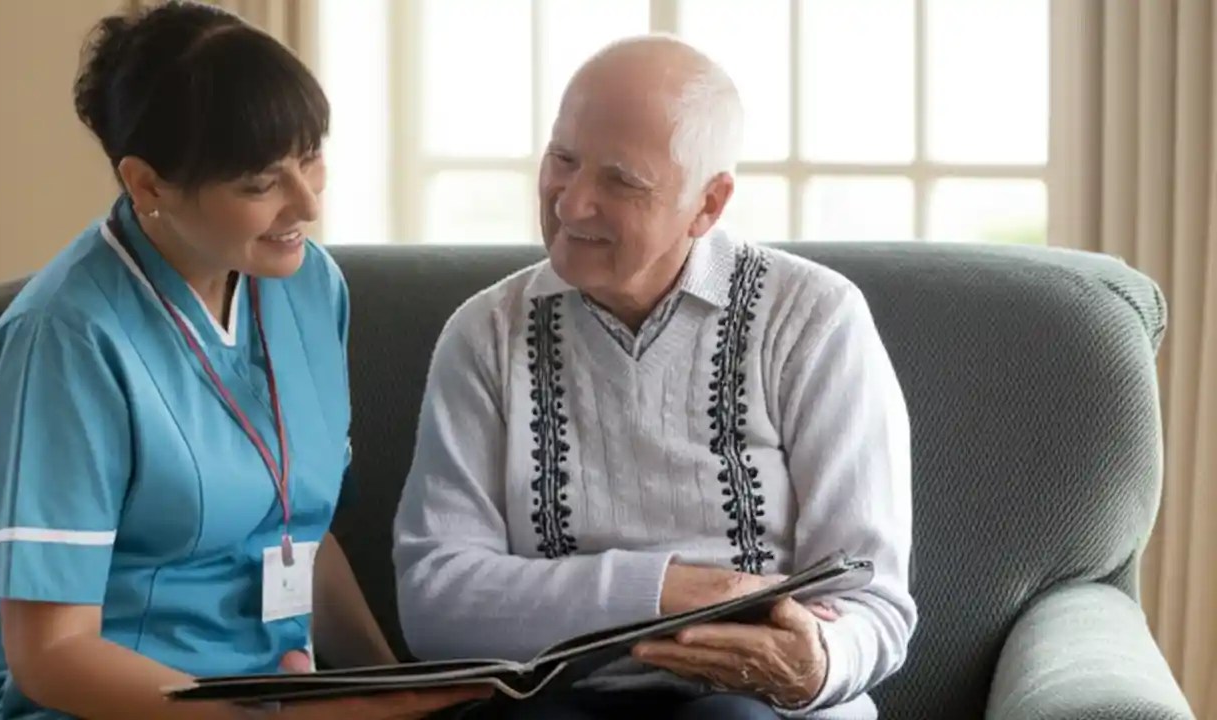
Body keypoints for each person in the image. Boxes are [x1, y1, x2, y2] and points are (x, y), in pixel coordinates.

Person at [0, 3, 487, 719]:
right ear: (147, 185)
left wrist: (392, 689)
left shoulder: (310, 287)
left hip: (267, 689)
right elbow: (52, 656)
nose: (306, 203)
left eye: (311, 156)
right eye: (260, 184)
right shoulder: (65, 340)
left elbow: (302, 537)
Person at [392, 34, 916, 719]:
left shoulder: (815, 319)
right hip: (556, 701)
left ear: (708, 203)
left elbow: (872, 600)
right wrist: (663, 592)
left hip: (761, 707)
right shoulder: (486, 332)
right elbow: (435, 597)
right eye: (562, 160)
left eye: (620, 181)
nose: (570, 204)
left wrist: (815, 661)